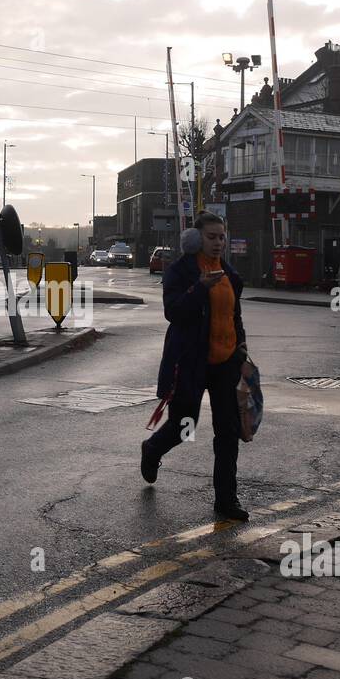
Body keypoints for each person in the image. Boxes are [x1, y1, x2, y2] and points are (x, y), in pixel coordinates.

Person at [140, 212, 251, 521]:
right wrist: (199, 288)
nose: (218, 242)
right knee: (184, 425)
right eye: (211, 236)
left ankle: (226, 500)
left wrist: (242, 350)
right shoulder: (181, 272)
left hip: (226, 362)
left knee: (227, 432)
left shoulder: (228, 273)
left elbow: (234, 316)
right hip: (191, 361)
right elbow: (173, 312)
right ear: (196, 239)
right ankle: (152, 449)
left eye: (221, 237)